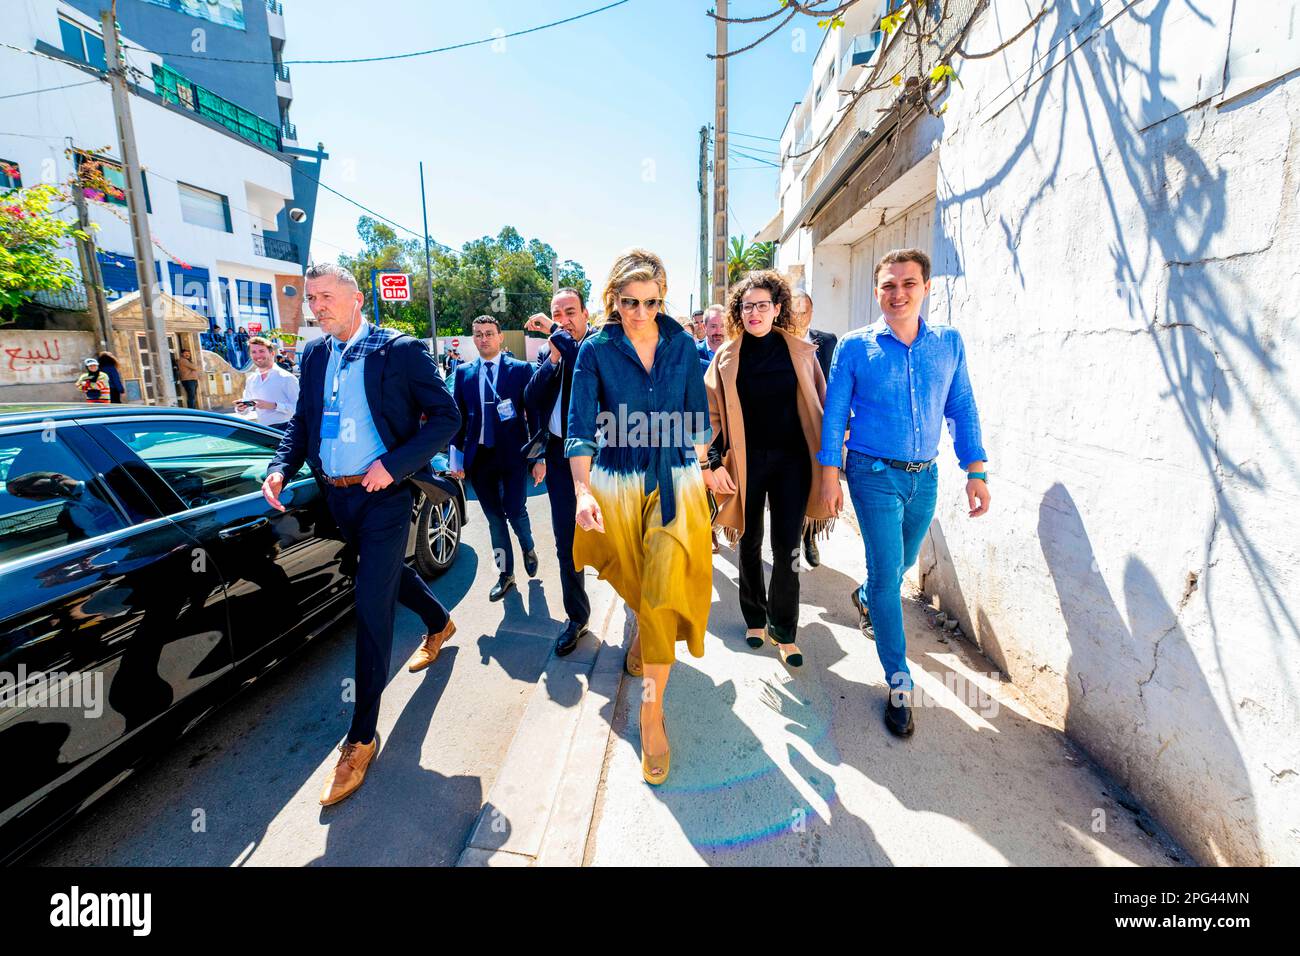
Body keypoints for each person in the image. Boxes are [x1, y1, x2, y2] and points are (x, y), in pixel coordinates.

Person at [262, 262, 460, 806]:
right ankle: (440, 620)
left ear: (355, 298)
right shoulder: (314, 353)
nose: (316, 307)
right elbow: (302, 424)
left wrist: (393, 467)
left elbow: (447, 418)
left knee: (370, 608)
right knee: (387, 575)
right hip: (337, 494)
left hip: (384, 497)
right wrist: (281, 466)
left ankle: (361, 738)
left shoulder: (398, 350)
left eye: (326, 296)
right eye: (311, 299)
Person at [819, 248, 990, 738]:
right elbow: (834, 417)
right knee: (887, 576)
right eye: (888, 285)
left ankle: (867, 596)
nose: (898, 293)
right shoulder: (855, 347)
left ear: (926, 287)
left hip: (925, 477)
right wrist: (830, 475)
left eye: (908, 283)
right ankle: (899, 683)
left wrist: (975, 469)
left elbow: (961, 405)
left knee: (899, 565)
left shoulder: (948, 344)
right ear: (876, 291)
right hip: (872, 474)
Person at [568, 248, 722, 786]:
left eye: (651, 302)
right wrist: (583, 492)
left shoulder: (681, 343)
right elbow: (581, 430)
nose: (639, 313)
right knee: (634, 582)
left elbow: (697, 422)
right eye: (629, 302)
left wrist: (708, 474)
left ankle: (650, 715)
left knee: (661, 590)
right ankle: (642, 637)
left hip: (674, 480)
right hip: (616, 481)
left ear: (663, 299)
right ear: (613, 299)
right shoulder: (595, 350)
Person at [706, 270, 832, 668]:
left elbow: (822, 409)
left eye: (763, 305)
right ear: (739, 312)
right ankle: (755, 619)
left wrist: (831, 467)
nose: (755, 312)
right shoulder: (725, 357)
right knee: (750, 539)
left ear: (778, 309)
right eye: (747, 306)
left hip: (792, 463)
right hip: (746, 463)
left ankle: (785, 630)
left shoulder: (801, 352)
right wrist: (711, 461)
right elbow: (710, 417)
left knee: (787, 547)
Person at [447, 315, 538, 602]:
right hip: (480, 457)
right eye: (478, 334)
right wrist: (456, 458)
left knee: (515, 508)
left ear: (500, 338)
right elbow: (458, 418)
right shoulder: (464, 373)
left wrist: (539, 458)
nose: (483, 339)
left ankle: (528, 546)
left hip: (513, 454)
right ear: (473, 339)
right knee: (494, 520)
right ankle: (505, 574)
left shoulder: (522, 370)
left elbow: (534, 415)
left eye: (489, 333)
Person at [523, 290, 594, 656]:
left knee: (623, 539)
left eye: (570, 312)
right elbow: (532, 399)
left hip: (600, 459)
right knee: (566, 542)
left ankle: (640, 616)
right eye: (556, 313)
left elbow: (582, 359)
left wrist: (555, 333)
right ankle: (577, 617)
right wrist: (551, 357)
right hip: (558, 454)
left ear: (585, 313)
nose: (563, 319)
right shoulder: (551, 351)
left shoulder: (597, 345)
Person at [789, 290, 838, 567]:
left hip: (819, 427)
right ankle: (793, 538)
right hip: (790, 428)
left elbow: (835, 383)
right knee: (793, 488)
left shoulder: (828, 341)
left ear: (811, 313)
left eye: (803, 310)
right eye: (793, 310)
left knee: (816, 483)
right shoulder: (779, 341)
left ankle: (811, 537)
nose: (798, 316)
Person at [238, 335, 299, 430]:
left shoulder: (287, 378)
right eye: (253, 352)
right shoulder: (251, 379)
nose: (258, 355)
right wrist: (241, 407)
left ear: (272, 353)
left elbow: (300, 409)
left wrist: (274, 405)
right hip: (263, 430)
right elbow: (247, 408)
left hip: (286, 429)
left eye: (261, 351)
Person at [697, 304, 725, 370]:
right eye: (713, 326)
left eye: (722, 326)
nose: (718, 332)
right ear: (704, 327)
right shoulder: (694, 354)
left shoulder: (735, 353)